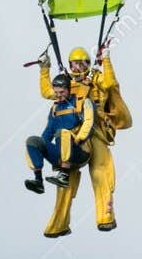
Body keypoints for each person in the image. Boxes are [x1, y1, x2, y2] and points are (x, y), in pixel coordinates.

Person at [43, 46, 132, 232]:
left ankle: (106, 216)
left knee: (101, 172)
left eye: (82, 63)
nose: (77, 68)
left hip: (97, 130)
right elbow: (48, 92)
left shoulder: (96, 77)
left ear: (88, 64)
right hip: (74, 133)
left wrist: (106, 59)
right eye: (74, 64)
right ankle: (58, 225)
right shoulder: (66, 83)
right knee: (65, 179)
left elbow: (109, 84)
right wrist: (45, 68)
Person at [25, 72, 95, 203]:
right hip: (60, 151)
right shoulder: (55, 108)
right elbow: (48, 132)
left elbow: (89, 123)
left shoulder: (83, 102)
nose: (59, 95)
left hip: (79, 150)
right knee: (33, 141)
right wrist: (41, 146)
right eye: (56, 93)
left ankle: (64, 175)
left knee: (62, 133)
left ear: (68, 89)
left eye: (62, 92)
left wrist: (79, 139)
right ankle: (38, 180)